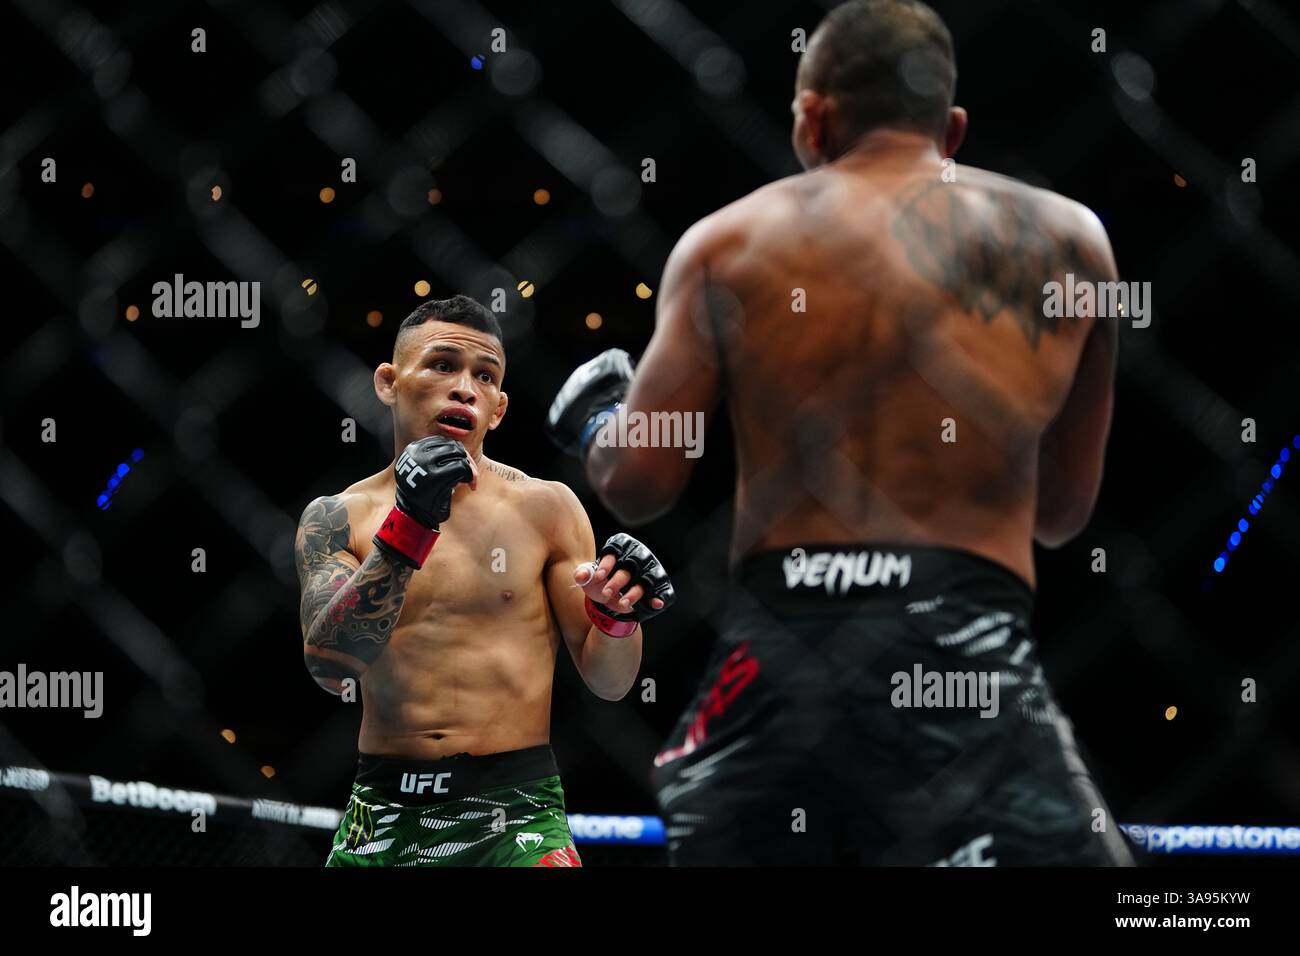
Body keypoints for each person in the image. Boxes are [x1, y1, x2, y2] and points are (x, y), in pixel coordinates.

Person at [548, 0, 1132, 865]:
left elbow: (640, 482)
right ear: (954, 127)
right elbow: (1062, 513)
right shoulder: (1069, 242)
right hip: (961, 645)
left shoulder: (731, 242)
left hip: (783, 648)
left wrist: (599, 419)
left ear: (813, 118)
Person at [296, 294, 675, 867]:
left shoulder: (547, 508)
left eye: (484, 375)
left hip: (516, 815)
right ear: (388, 382)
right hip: (383, 812)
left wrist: (618, 616)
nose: (464, 387)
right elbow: (330, 666)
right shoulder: (338, 516)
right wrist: (411, 525)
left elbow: (610, 682)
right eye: (443, 365)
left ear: (497, 408)